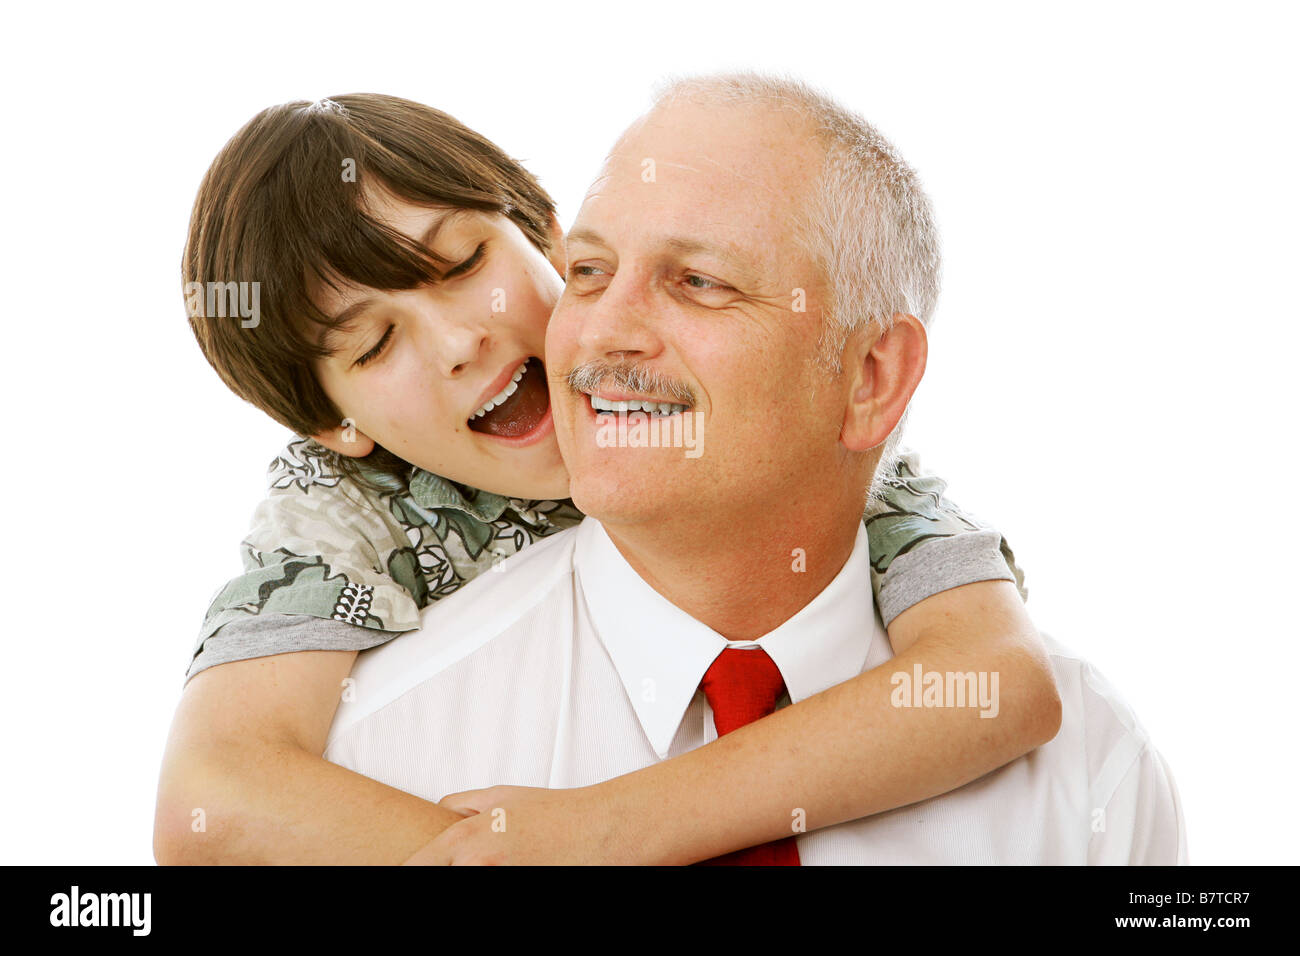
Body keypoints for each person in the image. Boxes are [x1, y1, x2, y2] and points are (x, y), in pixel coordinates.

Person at [155, 89, 1062, 865]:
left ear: (548, 235)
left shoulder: (794, 446)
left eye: (466, 264)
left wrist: (608, 831)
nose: (461, 340)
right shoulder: (342, 512)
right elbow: (215, 791)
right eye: (377, 341)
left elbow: (997, 679)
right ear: (337, 426)